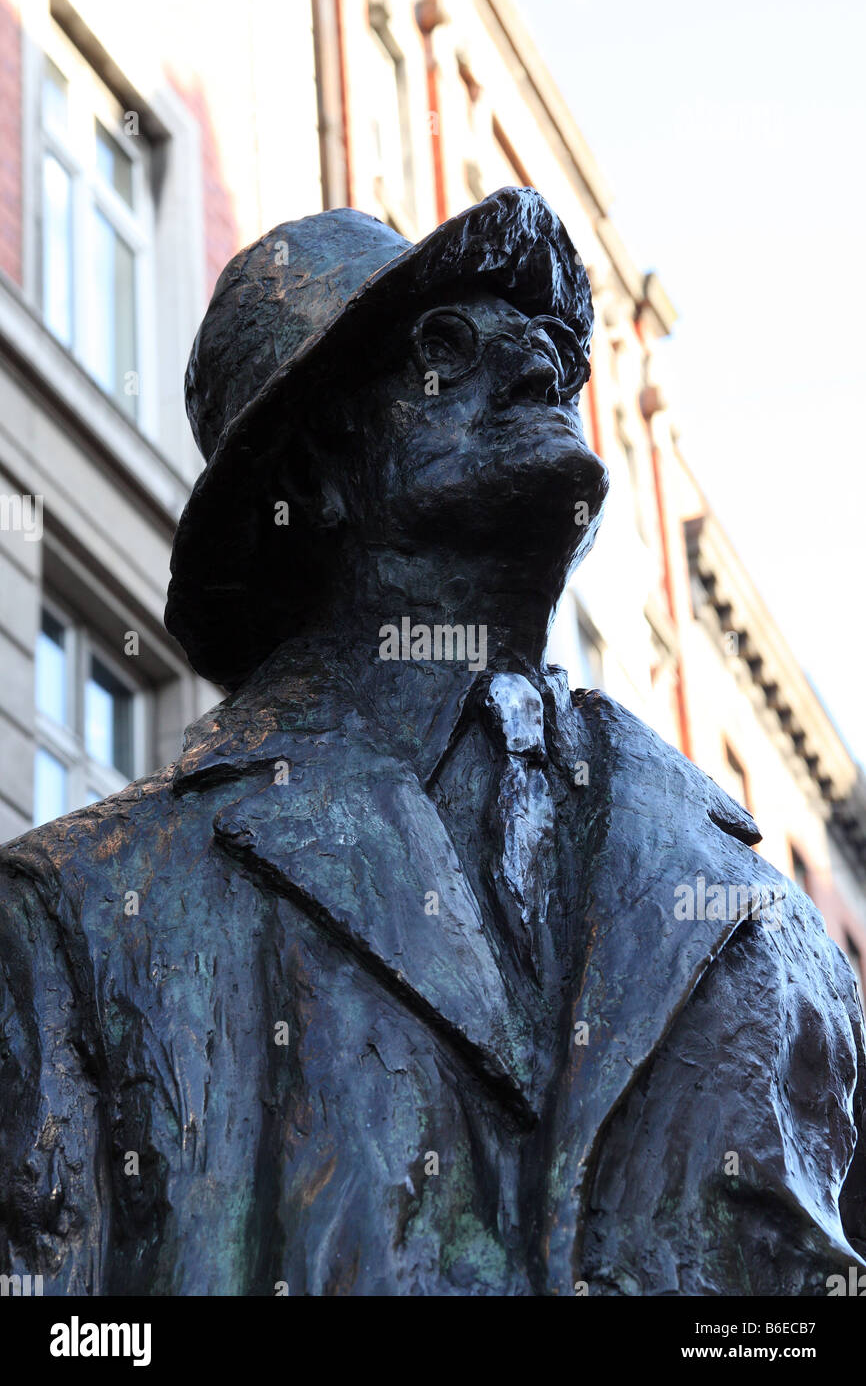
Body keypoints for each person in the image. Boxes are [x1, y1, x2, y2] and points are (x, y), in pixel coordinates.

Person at [1, 187, 863, 1295]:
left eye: (550, 339)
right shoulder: (75, 917)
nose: (538, 363)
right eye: (443, 345)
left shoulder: (766, 923)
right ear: (309, 474)